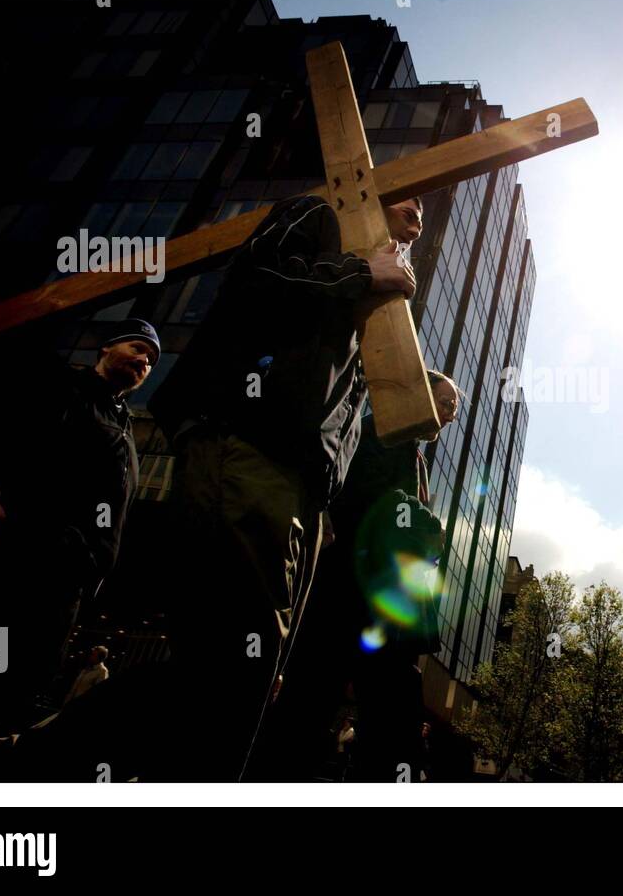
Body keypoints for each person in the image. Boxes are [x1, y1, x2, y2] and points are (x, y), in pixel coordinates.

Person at [145, 193, 422, 781]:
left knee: (240, 667)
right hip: (248, 443)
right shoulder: (317, 216)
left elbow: (339, 409)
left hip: (299, 485)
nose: (420, 207)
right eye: (409, 194)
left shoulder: (376, 308)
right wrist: (360, 270)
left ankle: (27, 761)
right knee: (227, 657)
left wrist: (322, 499)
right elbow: (257, 275)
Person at [258, 370, 462, 780]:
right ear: (417, 394)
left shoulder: (409, 452)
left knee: (357, 712)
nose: (450, 415)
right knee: (319, 707)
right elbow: (367, 506)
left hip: (374, 607)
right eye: (445, 402)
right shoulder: (378, 434)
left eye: (454, 409)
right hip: (352, 600)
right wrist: (427, 527)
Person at [0, 320, 159, 743]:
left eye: (151, 359)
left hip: (70, 577)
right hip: (28, 552)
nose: (145, 360)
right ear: (107, 348)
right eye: (137, 347)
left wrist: (93, 568)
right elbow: (7, 437)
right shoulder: (61, 388)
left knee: (24, 685)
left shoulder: (123, 424)